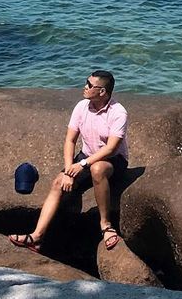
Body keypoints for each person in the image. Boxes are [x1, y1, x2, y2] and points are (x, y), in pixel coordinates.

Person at [10, 70, 128, 253]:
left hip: (113, 161)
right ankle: (37, 237)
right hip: (86, 156)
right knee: (58, 182)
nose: (85, 87)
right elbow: (70, 140)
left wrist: (82, 165)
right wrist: (68, 171)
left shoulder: (118, 112)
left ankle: (106, 226)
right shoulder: (81, 107)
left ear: (102, 92)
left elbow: (111, 148)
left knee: (97, 169)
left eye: (89, 85)